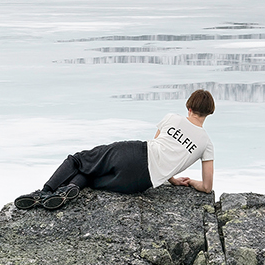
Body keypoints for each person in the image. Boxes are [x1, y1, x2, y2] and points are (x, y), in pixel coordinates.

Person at [15, 89, 216, 210]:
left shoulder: (173, 118)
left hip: (135, 153)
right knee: (92, 179)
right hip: (140, 182)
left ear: (189, 108)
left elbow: (156, 146)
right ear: (209, 113)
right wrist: (184, 181)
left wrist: (172, 179)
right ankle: (69, 189)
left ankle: (45, 192)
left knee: (78, 161)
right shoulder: (206, 144)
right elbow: (207, 186)